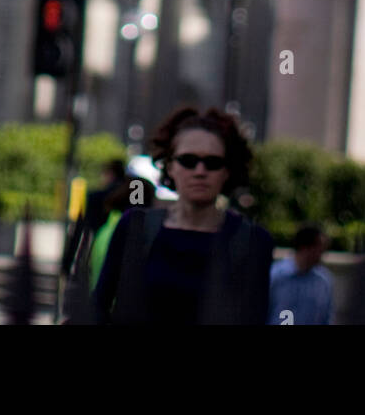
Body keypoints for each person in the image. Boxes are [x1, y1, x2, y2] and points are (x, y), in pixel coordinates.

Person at [94, 105, 273, 325]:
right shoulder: (134, 227)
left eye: (213, 163)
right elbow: (98, 308)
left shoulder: (253, 242)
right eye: (188, 161)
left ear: (227, 171)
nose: (200, 171)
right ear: (170, 167)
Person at [267, 224, 333, 325]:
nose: (322, 254)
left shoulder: (323, 281)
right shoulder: (276, 275)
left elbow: (326, 317)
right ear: (305, 248)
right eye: (320, 249)